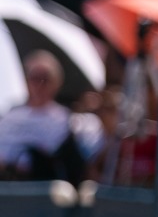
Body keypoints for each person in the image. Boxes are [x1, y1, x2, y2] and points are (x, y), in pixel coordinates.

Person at [0, 50, 100, 184]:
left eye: (45, 78)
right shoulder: (9, 117)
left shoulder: (70, 121)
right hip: (11, 192)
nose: (39, 84)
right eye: (35, 78)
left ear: (57, 82)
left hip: (49, 196)